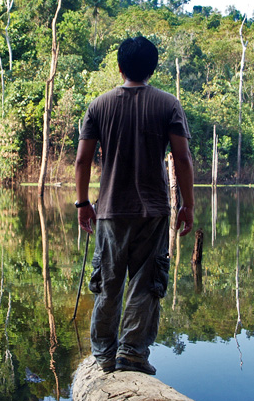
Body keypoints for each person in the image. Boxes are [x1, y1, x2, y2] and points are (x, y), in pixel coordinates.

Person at [74, 36, 195, 375]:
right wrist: (187, 204)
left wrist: (83, 202)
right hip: (155, 210)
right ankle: (132, 354)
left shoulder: (99, 105)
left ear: (120, 66)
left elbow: (82, 160)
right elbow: (182, 158)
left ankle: (104, 355)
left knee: (108, 283)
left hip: (110, 209)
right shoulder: (168, 104)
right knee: (146, 284)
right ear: (152, 67)